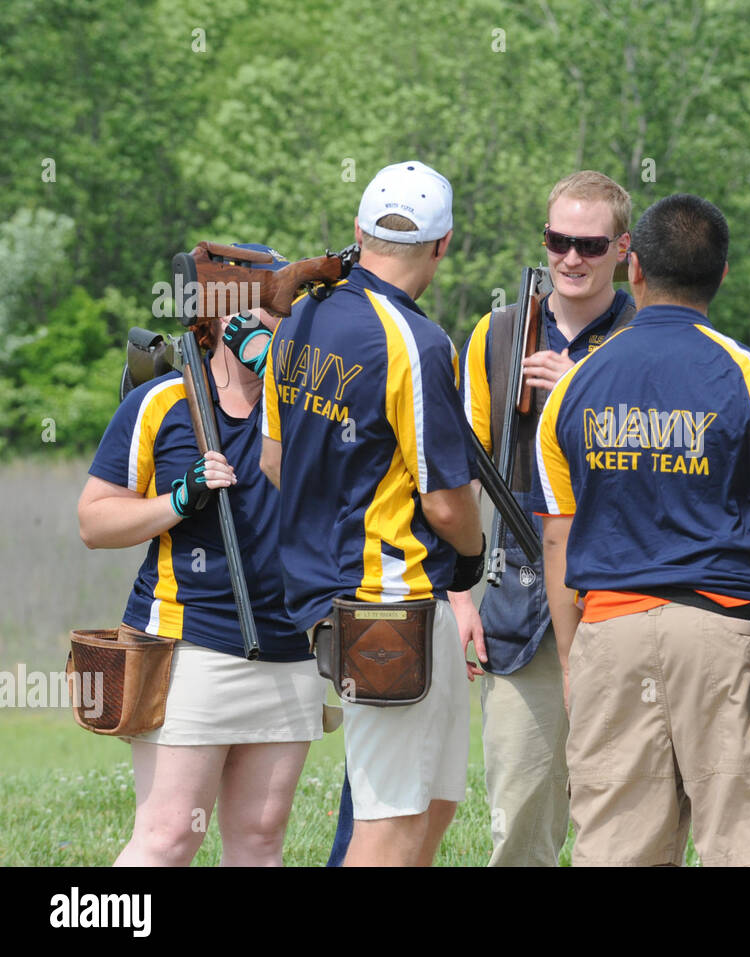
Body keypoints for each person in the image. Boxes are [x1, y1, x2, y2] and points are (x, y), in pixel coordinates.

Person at [536, 193, 750, 866]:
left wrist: (572, 656)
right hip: (722, 631)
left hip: (609, 630)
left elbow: (559, 539)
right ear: (722, 276)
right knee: (744, 846)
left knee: (617, 849)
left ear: (635, 271)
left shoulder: (574, 386)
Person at [260, 161, 484, 867]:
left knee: (430, 803)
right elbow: (447, 503)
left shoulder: (301, 318)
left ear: (359, 232)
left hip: (349, 598)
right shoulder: (417, 344)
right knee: (388, 825)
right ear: (443, 245)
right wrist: (474, 556)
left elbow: (273, 461)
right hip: (389, 601)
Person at [78, 244, 322, 866]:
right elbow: (94, 522)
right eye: (268, 305)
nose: (281, 316)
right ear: (217, 319)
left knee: (261, 839)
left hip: (290, 645)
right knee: (169, 838)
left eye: (283, 306)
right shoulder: (161, 402)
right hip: (190, 644)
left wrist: (279, 377)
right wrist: (177, 500)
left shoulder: (304, 405)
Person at [451, 171, 634, 866]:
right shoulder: (496, 335)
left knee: (624, 814)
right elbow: (463, 476)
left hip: (624, 595)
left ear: (623, 249)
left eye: (590, 244)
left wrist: (582, 392)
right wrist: (458, 592)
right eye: (559, 240)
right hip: (517, 602)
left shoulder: (648, 336)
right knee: (521, 814)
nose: (572, 258)